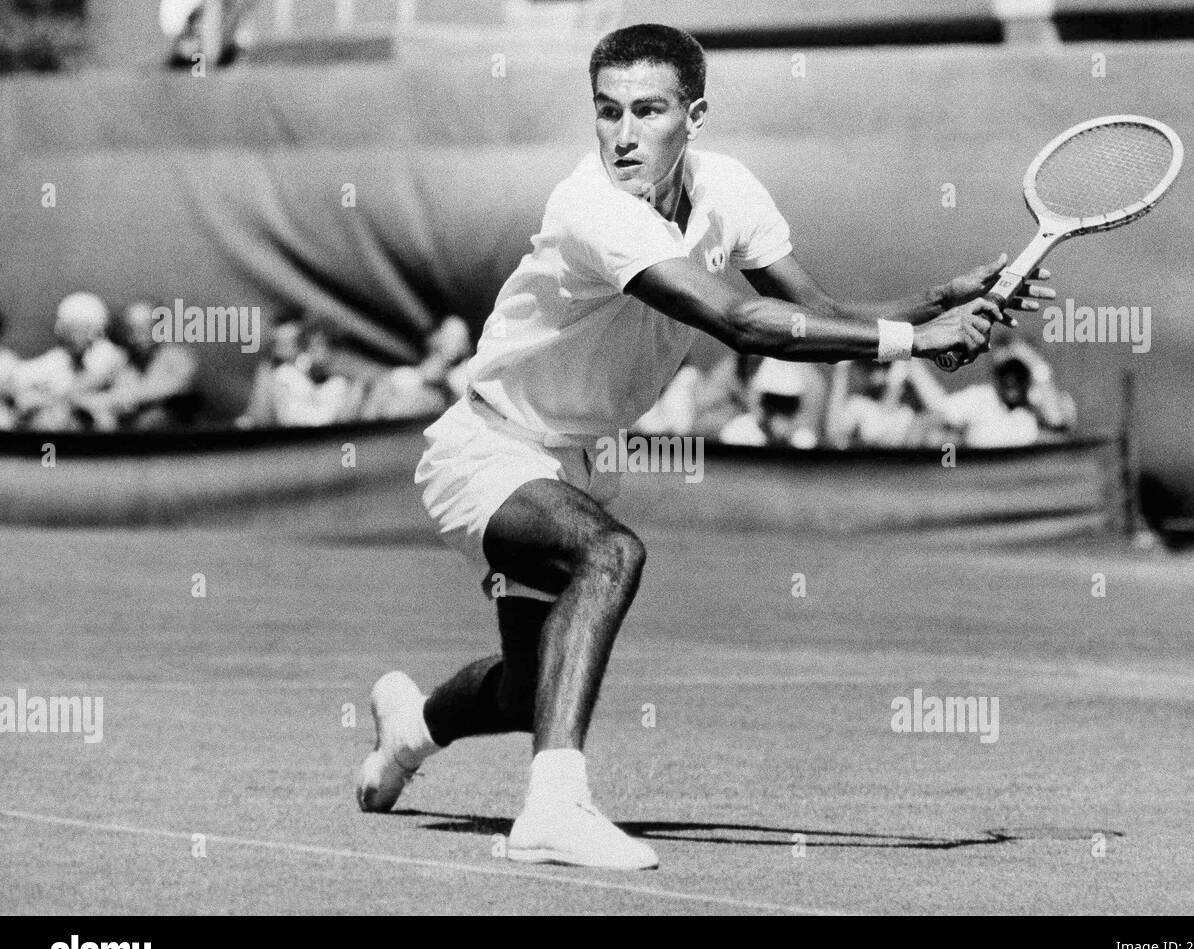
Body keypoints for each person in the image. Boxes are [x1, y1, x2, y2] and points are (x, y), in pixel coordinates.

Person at [357, 23, 1056, 870]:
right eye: (607, 111)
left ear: (695, 116)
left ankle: (411, 728)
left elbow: (810, 307)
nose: (623, 133)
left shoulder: (728, 189)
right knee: (610, 555)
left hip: (570, 460)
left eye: (647, 111)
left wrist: (928, 305)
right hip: (486, 448)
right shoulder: (592, 208)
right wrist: (914, 344)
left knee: (524, 686)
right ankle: (553, 805)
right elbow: (740, 322)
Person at [904, 340, 1076, 448]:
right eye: (1004, 372)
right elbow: (935, 414)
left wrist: (1036, 366)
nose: (1010, 380)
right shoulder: (982, 397)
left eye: (1017, 372)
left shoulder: (1037, 401)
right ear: (995, 374)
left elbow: (1058, 421)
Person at [10, 292, 129, 430]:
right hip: (59, 432)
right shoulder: (57, 358)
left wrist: (82, 400)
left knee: (103, 419)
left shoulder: (111, 355)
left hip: (100, 432)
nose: (75, 335)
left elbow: (109, 388)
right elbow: (18, 382)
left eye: (84, 328)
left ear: (98, 330)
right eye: (69, 327)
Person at [75, 301, 201, 429]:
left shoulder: (179, 356)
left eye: (145, 329)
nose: (137, 337)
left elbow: (170, 389)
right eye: (131, 330)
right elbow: (80, 390)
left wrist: (108, 401)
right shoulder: (121, 359)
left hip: (172, 428)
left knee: (153, 417)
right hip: (127, 429)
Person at [718, 357, 820, 448]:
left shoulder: (804, 441)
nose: (778, 414)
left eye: (786, 405)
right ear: (760, 402)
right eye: (772, 403)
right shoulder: (736, 434)